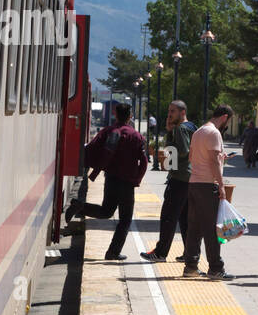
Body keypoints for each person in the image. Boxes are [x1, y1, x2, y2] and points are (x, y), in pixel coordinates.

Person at [69, 102, 148, 260]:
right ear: (130, 116)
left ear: (115, 114)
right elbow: (144, 162)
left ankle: (80, 207)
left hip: (110, 179)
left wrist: (90, 167)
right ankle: (113, 252)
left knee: (106, 211)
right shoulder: (136, 136)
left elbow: (92, 147)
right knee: (125, 220)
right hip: (127, 183)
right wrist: (137, 179)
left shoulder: (108, 131)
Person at [183, 104, 236, 280]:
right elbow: (213, 161)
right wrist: (221, 185)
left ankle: (190, 266)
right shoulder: (214, 133)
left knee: (194, 228)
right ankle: (215, 268)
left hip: (194, 184)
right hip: (208, 186)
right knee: (212, 230)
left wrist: (220, 157)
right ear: (225, 117)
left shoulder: (199, 131)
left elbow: (193, 157)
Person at [141, 100, 194, 262]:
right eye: (169, 111)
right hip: (189, 178)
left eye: (173, 111)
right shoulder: (192, 126)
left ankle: (160, 253)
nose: (169, 114)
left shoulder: (180, 129)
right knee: (184, 220)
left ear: (182, 112)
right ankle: (190, 254)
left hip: (178, 178)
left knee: (168, 217)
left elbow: (183, 151)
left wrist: (170, 135)